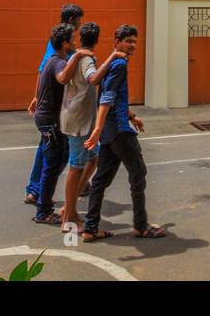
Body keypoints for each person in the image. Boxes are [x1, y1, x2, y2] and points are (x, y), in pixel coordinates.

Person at [82, 24, 167, 240]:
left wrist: (132, 116)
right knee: (138, 173)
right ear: (117, 42)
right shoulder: (119, 64)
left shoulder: (113, 62)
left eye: (134, 41)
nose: (132, 45)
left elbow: (117, 98)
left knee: (100, 181)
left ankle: (90, 229)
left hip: (111, 133)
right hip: (118, 131)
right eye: (128, 41)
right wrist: (97, 128)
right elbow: (107, 98)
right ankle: (140, 225)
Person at [58, 22, 125, 233]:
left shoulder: (77, 56)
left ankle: (69, 209)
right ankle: (68, 218)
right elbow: (94, 79)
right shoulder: (86, 59)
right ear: (97, 40)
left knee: (94, 159)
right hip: (79, 121)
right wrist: (113, 56)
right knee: (76, 167)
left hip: (81, 119)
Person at [25, 3, 83, 205]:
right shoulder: (58, 43)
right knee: (55, 152)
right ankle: (38, 192)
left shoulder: (58, 40)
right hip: (53, 112)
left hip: (54, 110)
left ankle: (36, 190)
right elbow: (45, 71)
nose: (80, 24)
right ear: (70, 20)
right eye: (78, 20)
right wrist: (37, 97)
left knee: (50, 148)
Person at [32, 22, 76, 225]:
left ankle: (42, 198)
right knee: (52, 163)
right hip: (49, 121)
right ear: (65, 43)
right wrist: (79, 57)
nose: (75, 42)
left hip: (49, 120)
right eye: (73, 39)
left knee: (61, 157)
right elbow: (62, 78)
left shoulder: (54, 59)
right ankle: (43, 211)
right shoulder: (59, 62)